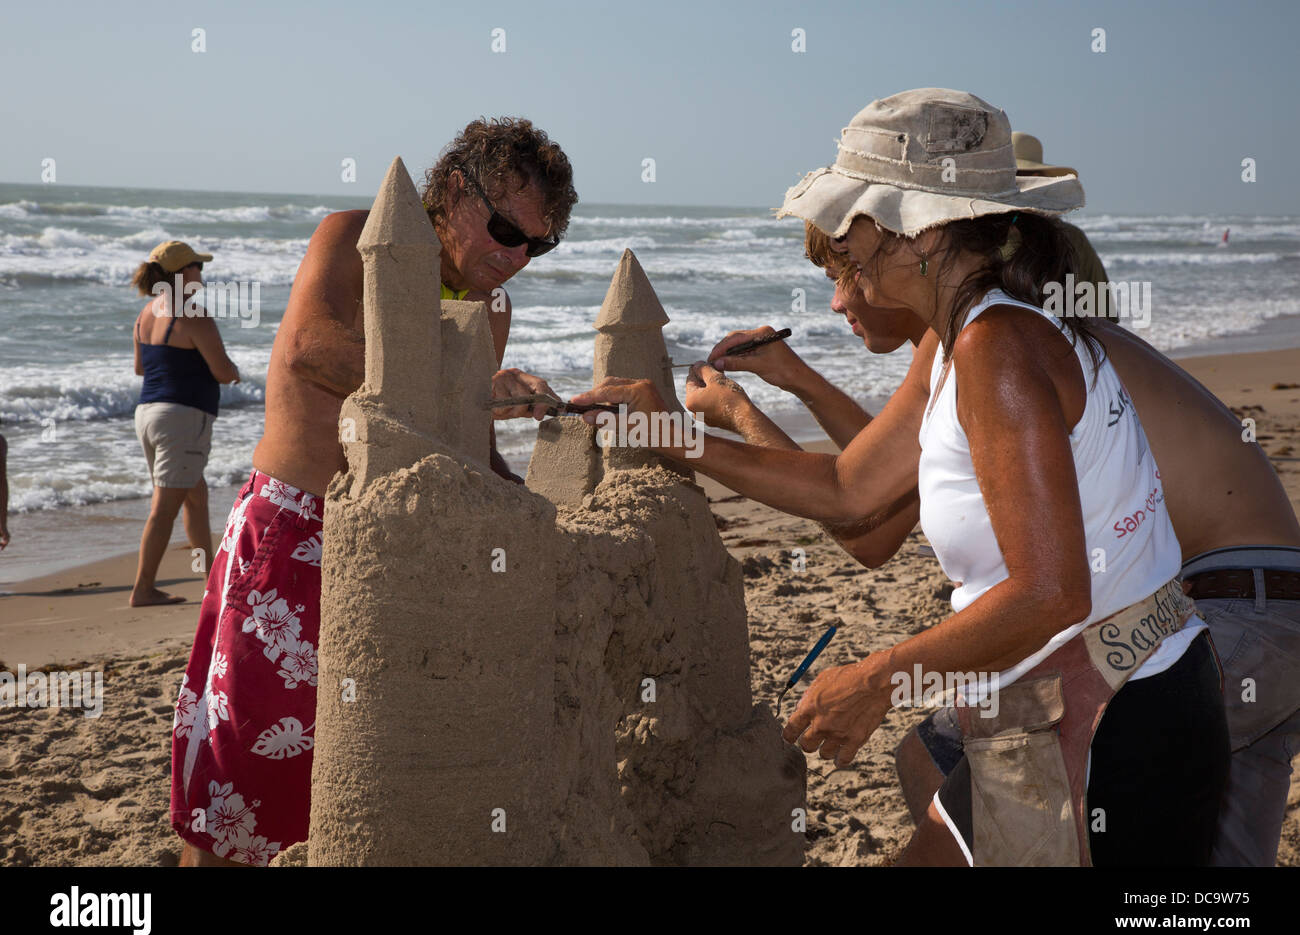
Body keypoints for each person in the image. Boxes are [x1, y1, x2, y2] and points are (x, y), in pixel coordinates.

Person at [575, 88, 1228, 866]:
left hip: (1112, 718)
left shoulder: (998, 351)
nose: (841, 250)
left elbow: (1053, 590)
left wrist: (877, 679)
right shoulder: (960, 342)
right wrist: (665, 431)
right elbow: (849, 490)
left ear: (912, 230)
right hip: (1080, 696)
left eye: (851, 221)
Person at [695, 217, 1300, 866]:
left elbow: (869, 517)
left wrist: (722, 419)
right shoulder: (1022, 321)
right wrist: (796, 383)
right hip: (1263, 610)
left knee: (943, 753)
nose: (841, 299)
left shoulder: (987, 338)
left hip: (1221, 614)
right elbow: (879, 492)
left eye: (844, 271)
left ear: (925, 242)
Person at [169, 117, 578, 866]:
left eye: (536, 244)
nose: (516, 258)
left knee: (350, 786)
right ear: (456, 190)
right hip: (292, 535)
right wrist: (473, 383)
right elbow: (312, 351)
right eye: (502, 229)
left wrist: (540, 513)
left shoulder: (491, 309)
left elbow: (470, 454)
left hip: (399, 562)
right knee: (240, 783)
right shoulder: (355, 239)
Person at [130, 241, 240, 606]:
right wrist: (235, 373)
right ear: (182, 273)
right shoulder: (193, 314)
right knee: (164, 507)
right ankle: (143, 588)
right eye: (199, 267)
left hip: (148, 414)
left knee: (195, 495)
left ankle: (211, 581)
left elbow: (140, 368)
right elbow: (222, 372)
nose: (203, 275)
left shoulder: (146, 313)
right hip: (183, 418)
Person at [1011, 132, 1114, 322]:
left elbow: (1102, 313)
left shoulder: (972, 239)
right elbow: (1103, 316)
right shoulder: (1071, 238)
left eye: (1016, 176)